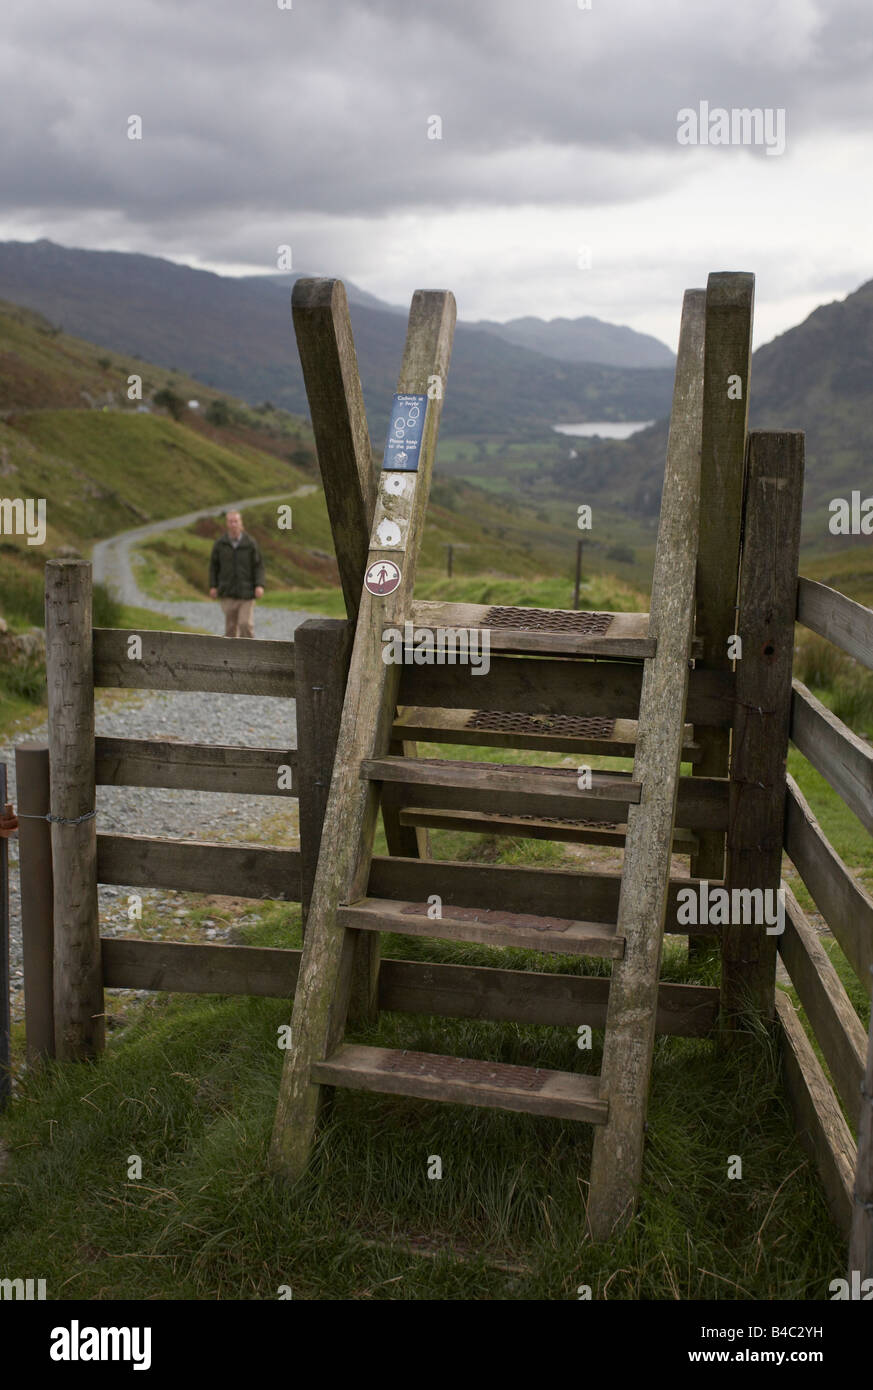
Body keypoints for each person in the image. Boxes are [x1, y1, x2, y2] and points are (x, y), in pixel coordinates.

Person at [208, 510, 265, 638]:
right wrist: (213, 586)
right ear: (227, 524)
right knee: (230, 629)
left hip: (247, 592)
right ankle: (232, 657)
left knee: (245, 624)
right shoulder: (220, 544)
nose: (233, 524)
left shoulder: (250, 543)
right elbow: (213, 567)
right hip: (227, 592)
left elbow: (258, 566)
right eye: (230, 521)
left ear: (241, 523)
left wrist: (259, 585)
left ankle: (251, 653)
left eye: (236, 521)